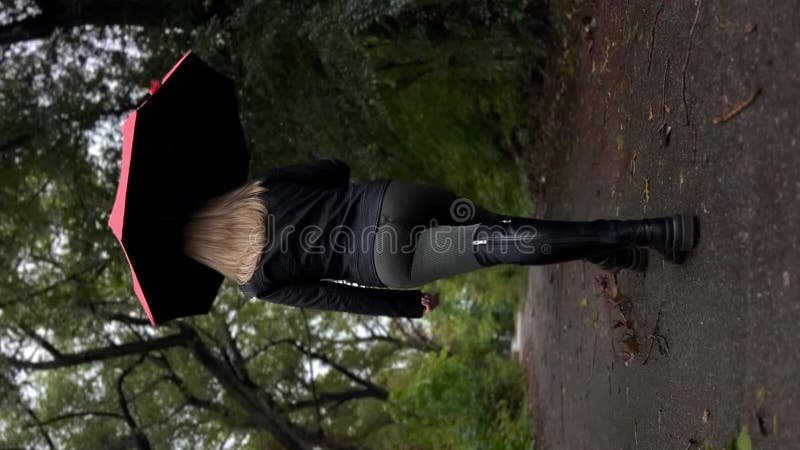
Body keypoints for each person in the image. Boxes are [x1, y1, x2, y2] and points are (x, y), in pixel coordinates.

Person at [181, 158, 698, 319]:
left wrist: (406, 306)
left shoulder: (255, 282)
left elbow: (336, 296)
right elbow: (335, 169)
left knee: (497, 244)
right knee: (502, 227)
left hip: (388, 261)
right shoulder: (262, 189)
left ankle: (642, 234)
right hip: (391, 200)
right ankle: (617, 250)